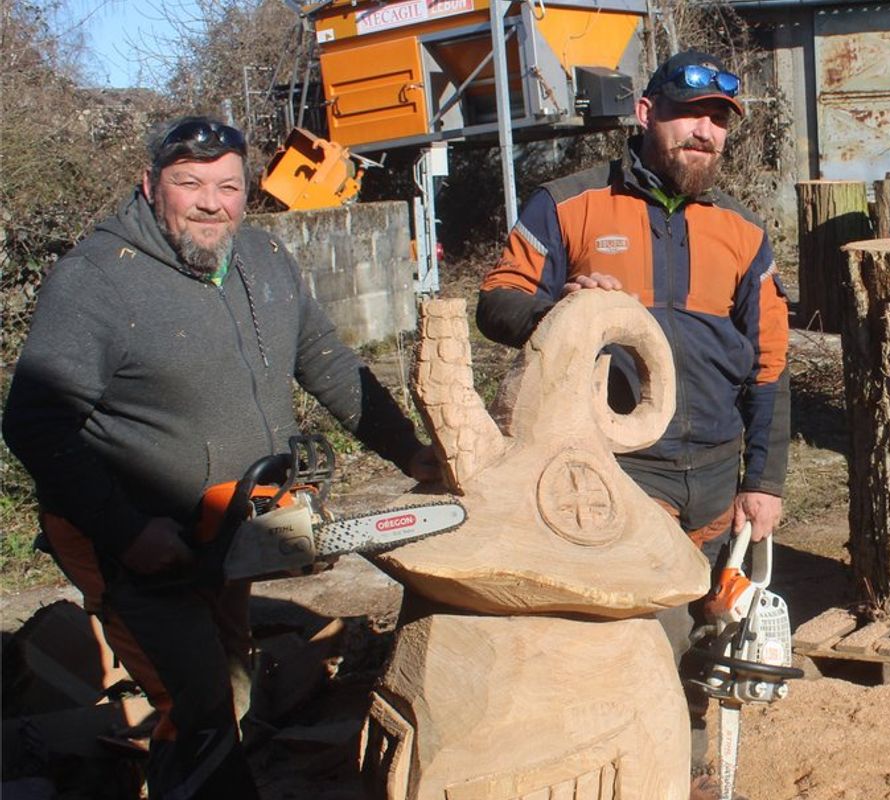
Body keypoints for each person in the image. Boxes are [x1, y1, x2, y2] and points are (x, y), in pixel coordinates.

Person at [2, 116, 439, 799]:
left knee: (229, 679)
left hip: (227, 523)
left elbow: (325, 363)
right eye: (189, 183)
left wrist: (411, 452)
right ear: (151, 186)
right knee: (198, 700)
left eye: (227, 186)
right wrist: (127, 530)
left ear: (246, 191)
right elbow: (34, 420)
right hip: (127, 531)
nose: (211, 201)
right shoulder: (95, 282)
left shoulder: (264, 259)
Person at [476, 51, 789, 795]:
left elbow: (770, 363)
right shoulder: (571, 204)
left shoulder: (743, 233)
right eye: (689, 115)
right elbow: (496, 300)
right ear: (646, 115)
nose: (703, 134)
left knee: (712, 633)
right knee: (643, 636)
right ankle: (658, 774)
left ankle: (687, 760)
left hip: (716, 474)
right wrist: (562, 306)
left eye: (717, 121)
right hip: (616, 471)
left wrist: (764, 480)